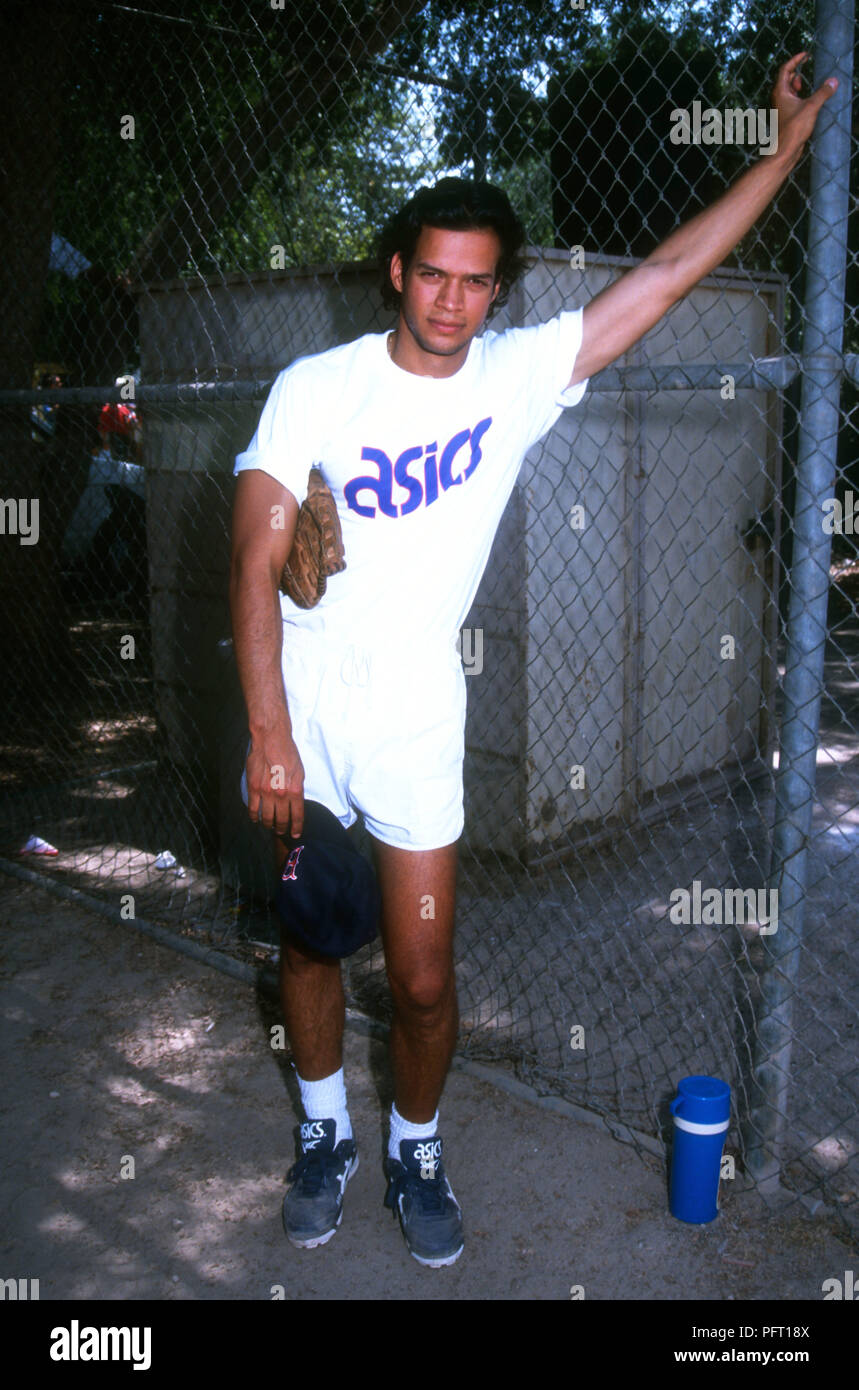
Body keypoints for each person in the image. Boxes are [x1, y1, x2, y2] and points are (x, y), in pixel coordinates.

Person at [229, 53, 836, 1267]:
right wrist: (269, 733)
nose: (450, 302)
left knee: (424, 973)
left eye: (474, 283)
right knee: (306, 939)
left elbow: (663, 277)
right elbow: (252, 564)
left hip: (410, 714)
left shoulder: (512, 380)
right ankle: (322, 1130)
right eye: (432, 275)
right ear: (398, 272)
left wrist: (782, 151)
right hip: (300, 708)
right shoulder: (315, 389)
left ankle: (414, 1145)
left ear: (495, 292)